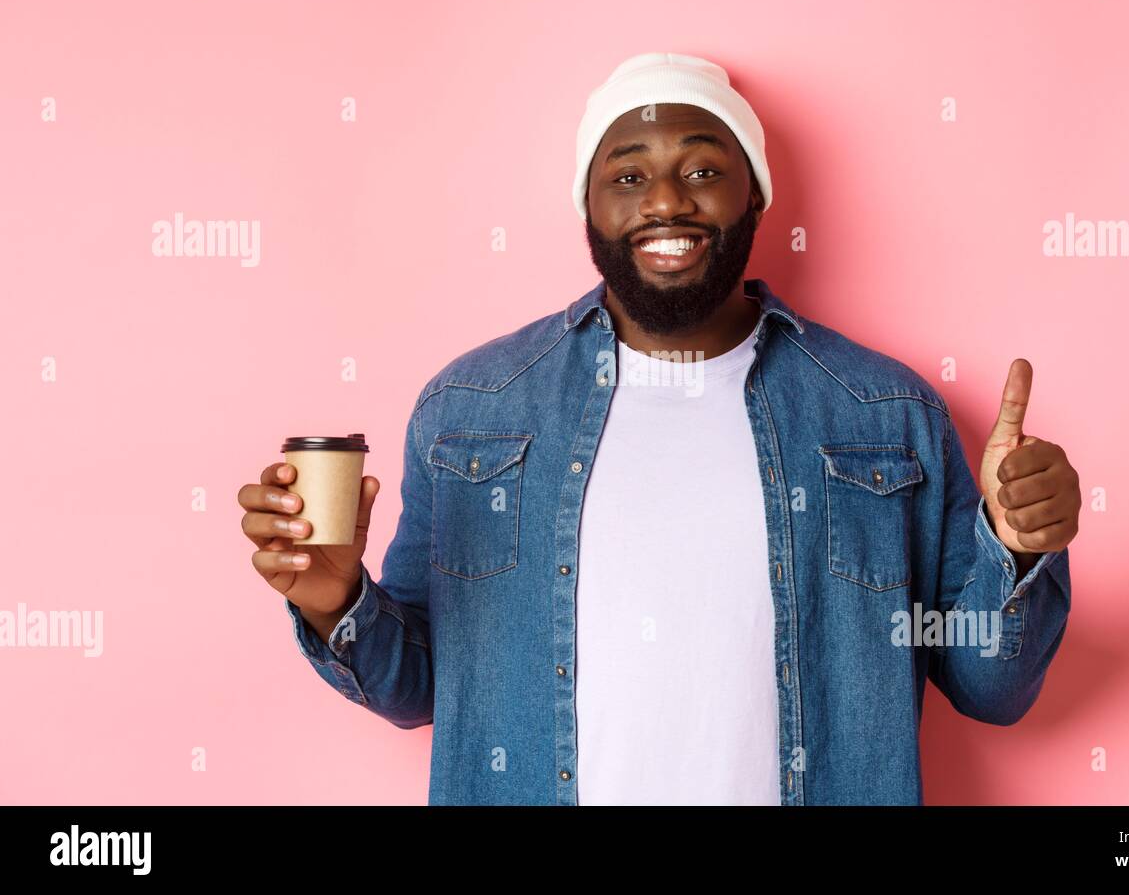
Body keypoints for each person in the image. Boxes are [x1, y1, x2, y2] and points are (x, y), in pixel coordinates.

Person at [238, 52, 1081, 805]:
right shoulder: (472, 409)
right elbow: (421, 685)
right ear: (590, 204)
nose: (667, 200)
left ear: (753, 192)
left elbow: (990, 688)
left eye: (704, 169)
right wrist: (334, 599)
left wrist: (1019, 549)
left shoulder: (885, 414)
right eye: (630, 176)